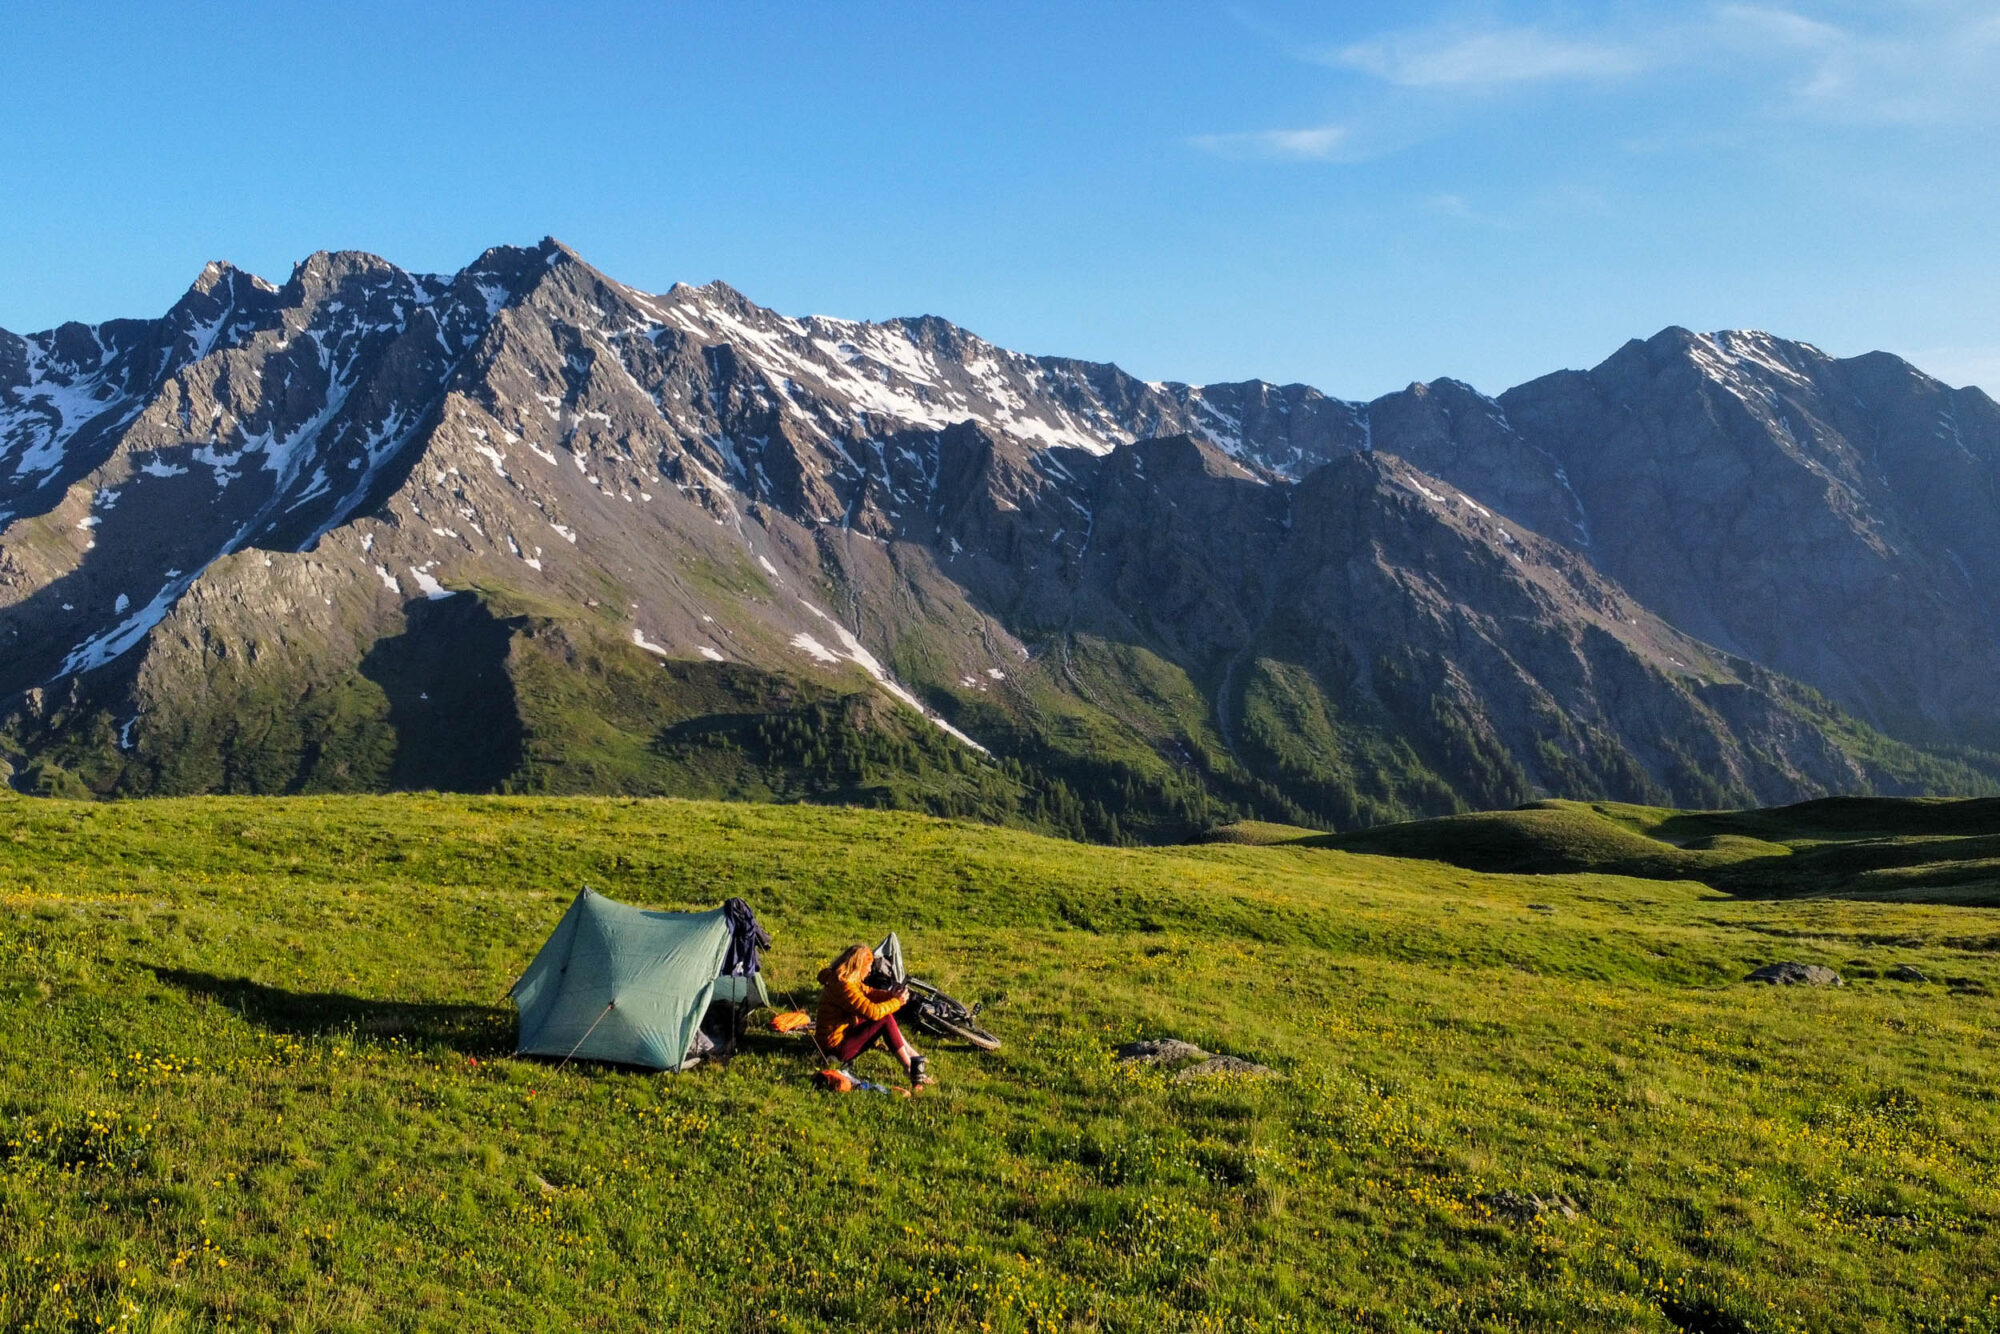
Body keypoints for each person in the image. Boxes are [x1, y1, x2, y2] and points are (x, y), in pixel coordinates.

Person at [816, 943, 932, 1085]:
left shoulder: (843, 979)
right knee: (884, 1018)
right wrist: (897, 1002)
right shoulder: (843, 986)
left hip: (840, 1036)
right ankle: (909, 1067)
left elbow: (868, 992)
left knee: (885, 1016)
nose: (870, 971)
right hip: (834, 1049)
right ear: (859, 966)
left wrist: (891, 995)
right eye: (869, 966)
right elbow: (873, 1012)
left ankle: (910, 1055)